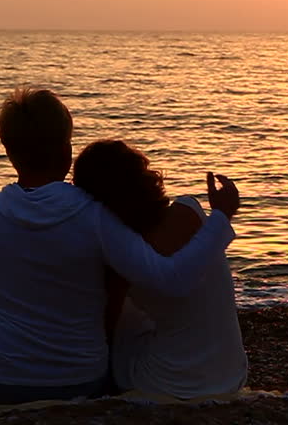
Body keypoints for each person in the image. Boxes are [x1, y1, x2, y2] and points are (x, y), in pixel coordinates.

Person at [0, 88, 240, 405]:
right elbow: (168, 278)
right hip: (84, 381)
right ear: (66, 149)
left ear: (8, 152)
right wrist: (221, 218)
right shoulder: (95, 216)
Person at [72, 140, 247, 399]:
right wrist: (221, 215)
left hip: (167, 383)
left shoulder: (121, 254)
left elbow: (107, 328)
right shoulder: (188, 210)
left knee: (120, 309)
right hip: (232, 375)